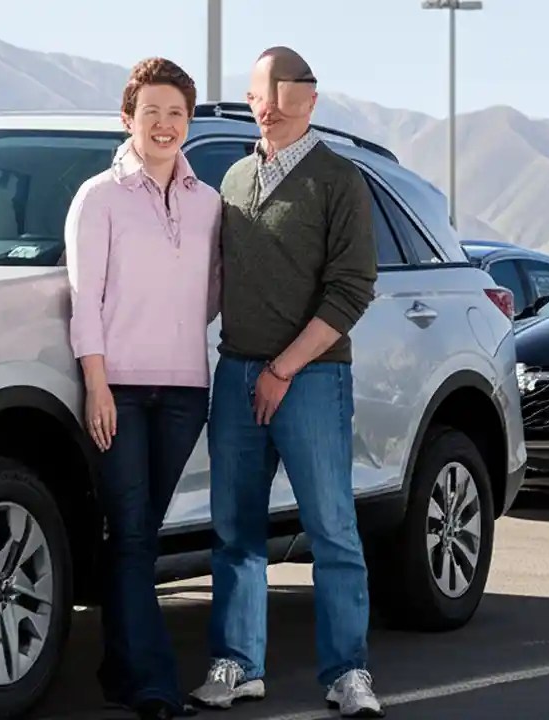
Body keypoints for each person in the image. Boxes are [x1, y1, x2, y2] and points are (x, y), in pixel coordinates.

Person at [187, 47, 384, 718]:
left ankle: (347, 673)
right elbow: (211, 284)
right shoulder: (235, 180)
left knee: (332, 528)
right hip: (236, 373)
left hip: (311, 379)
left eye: (274, 89)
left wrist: (283, 369)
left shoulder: (338, 180)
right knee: (234, 530)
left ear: (309, 98)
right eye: (253, 91)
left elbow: (352, 290)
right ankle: (237, 664)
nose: (260, 102)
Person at [64, 56, 222, 720]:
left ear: (188, 122)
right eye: (150, 112)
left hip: (186, 390)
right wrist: (97, 386)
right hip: (120, 391)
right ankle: (154, 686)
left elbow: (214, 293)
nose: (164, 124)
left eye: (176, 113)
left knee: (140, 534)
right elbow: (84, 300)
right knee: (132, 536)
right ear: (128, 118)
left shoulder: (210, 202)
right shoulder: (98, 196)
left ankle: (116, 666)